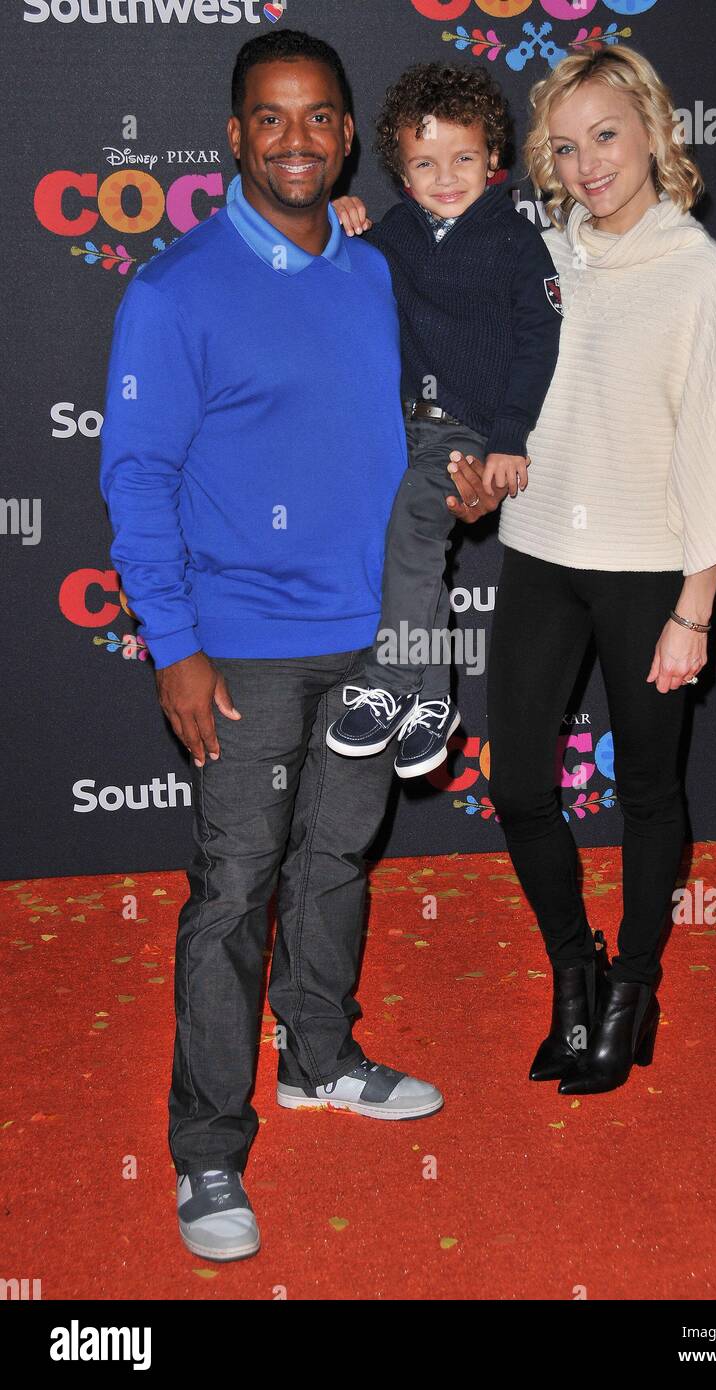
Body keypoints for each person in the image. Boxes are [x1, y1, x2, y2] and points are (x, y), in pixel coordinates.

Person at [98, 29, 498, 1264]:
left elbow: (417, 425)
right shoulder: (172, 292)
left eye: (318, 118)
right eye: (270, 120)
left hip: (374, 634)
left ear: (344, 137)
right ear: (233, 137)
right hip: (243, 647)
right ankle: (208, 1150)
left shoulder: (377, 272)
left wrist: (468, 477)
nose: (295, 141)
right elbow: (137, 474)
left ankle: (319, 1055)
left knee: (338, 858)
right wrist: (175, 644)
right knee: (233, 891)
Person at [486, 44, 716, 1095]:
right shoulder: (545, 253)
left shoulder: (700, 273)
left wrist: (692, 611)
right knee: (515, 782)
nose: (587, 163)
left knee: (647, 790)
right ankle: (575, 970)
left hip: (649, 569)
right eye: (564, 147)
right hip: (536, 553)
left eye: (605, 135)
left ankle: (634, 985)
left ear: (652, 130)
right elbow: (434, 285)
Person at [324, 62, 562, 779]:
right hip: (398, 428)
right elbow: (340, 277)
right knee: (404, 554)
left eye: (463, 158)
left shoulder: (517, 241)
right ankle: (433, 701)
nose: (446, 176)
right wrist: (335, 224)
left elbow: (537, 345)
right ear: (399, 170)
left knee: (416, 533)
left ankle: (397, 684)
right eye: (424, 163)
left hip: (468, 430)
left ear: (493, 157)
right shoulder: (395, 232)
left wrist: (508, 440)